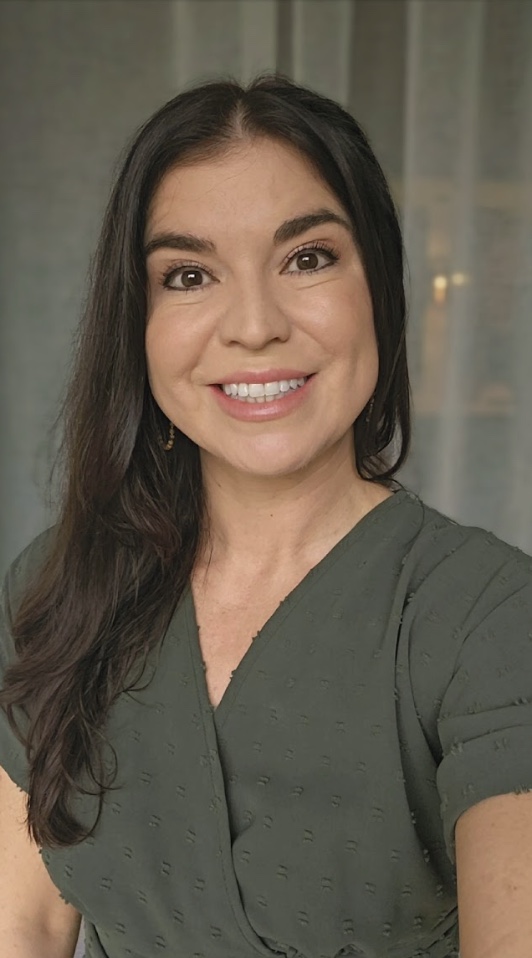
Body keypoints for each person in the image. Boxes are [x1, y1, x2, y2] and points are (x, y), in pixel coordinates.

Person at [1, 71, 531, 958]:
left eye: (307, 258)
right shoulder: (56, 586)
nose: (254, 326)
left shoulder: (490, 615)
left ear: (380, 285)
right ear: (138, 321)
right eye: (189, 274)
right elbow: (20, 923)